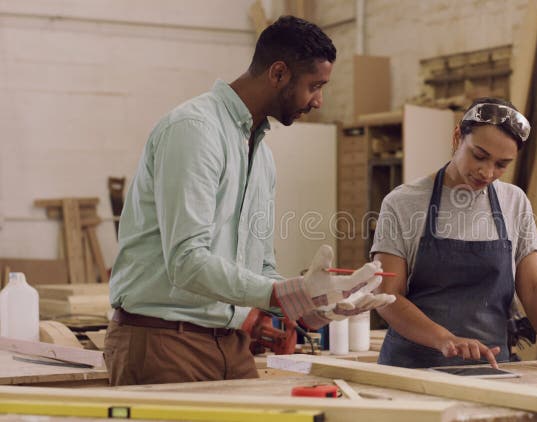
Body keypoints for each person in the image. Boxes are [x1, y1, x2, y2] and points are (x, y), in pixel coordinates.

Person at [104, 16, 394, 386]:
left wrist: (317, 304)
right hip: (165, 340)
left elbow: (261, 265)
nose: (319, 101)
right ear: (278, 73)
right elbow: (187, 262)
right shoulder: (194, 131)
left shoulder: (262, 156)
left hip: (231, 344)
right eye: (315, 86)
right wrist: (285, 294)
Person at [371, 98, 537, 373]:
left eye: (502, 164)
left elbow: (535, 287)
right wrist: (444, 339)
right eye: (479, 155)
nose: (487, 172)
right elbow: (387, 296)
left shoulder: (514, 202)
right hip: (413, 370)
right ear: (458, 137)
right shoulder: (403, 202)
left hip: (490, 370)